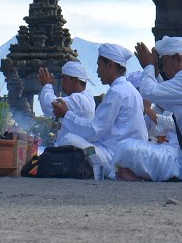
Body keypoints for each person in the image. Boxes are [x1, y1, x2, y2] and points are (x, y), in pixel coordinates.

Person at [113, 37, 182, 182]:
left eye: (164, 62)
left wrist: (149, 66)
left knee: (125, 148)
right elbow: (164, 101)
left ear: (178, 58)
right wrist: (153, 73)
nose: (164, 69)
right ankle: (143, 176)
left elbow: (148, 92)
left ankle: (145, 176)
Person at [55, 42, 147, 178]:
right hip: (126, 155)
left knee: (69, 139)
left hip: (112, 157)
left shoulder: (117, 92)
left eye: (99, 65)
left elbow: (94, 131)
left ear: (110, 65)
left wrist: (66, 114)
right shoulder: (131, 90)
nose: (97, 71)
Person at [37, 61, 96, 147]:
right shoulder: (87, 98)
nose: (62, 85)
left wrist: (47, 85)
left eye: (64, 80)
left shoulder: (79, 99)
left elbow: (49, 105)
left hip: (70, 155)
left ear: (75, 81)